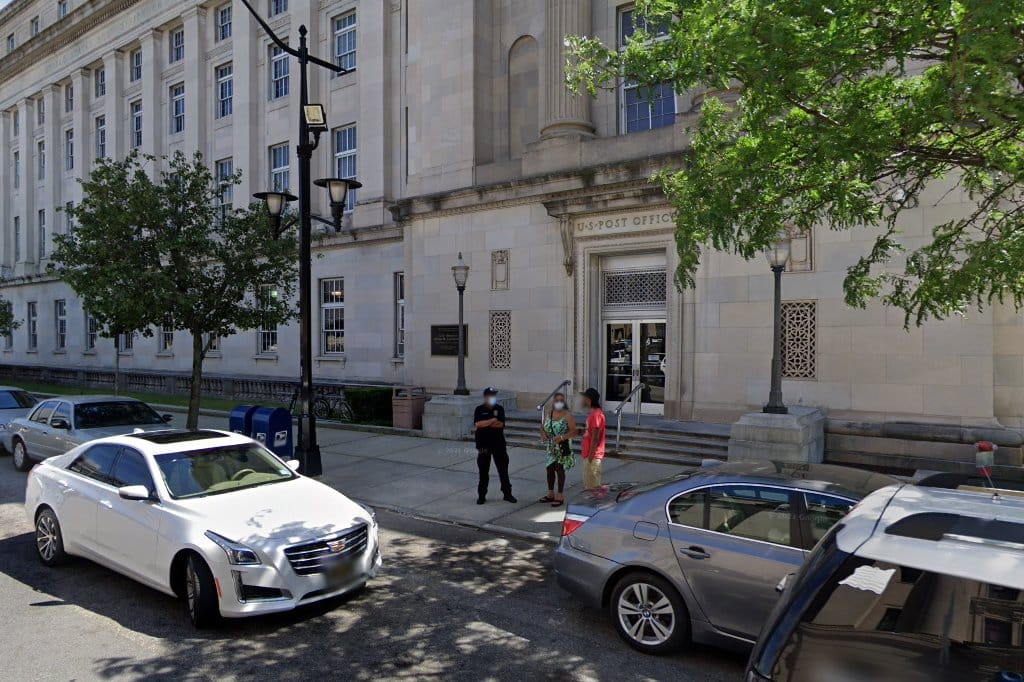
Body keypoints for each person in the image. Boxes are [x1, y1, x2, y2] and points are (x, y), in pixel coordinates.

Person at [473, 387, 516, 505]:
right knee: (483, 471)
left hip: (498, 445)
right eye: (490, 395)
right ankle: (481, 496)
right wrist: (491, 420)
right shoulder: (479, 409)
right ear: (485, 397)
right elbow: (478, 424)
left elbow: (500, 424)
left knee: (503, 470)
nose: (493, 398)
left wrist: (486, 423)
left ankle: (507, 494)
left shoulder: (499, 408)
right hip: (483, 445)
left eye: (494, 395)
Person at [538, 392, 577, 507]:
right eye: (557, 400)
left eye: (561, 400)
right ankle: (551, 494)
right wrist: (543, 434)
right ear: (553, 402)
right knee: (549, 468)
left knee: (559, 469)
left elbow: (574, 431)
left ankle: (560, 495)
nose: (559, 403)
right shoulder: (549, 414)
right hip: (551, 447)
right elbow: (542, 427)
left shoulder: (567, 415)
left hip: (562, 446)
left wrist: (561, 437)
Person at [580, 388, 606, 489]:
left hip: (592, 457)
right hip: (589, 456)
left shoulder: (596, 415)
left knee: (592, 489)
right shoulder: (594, 414)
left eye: (584, 398)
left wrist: (590, 458)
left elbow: (596, 438)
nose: (583, 400)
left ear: (589, 400)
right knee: (589, 486)